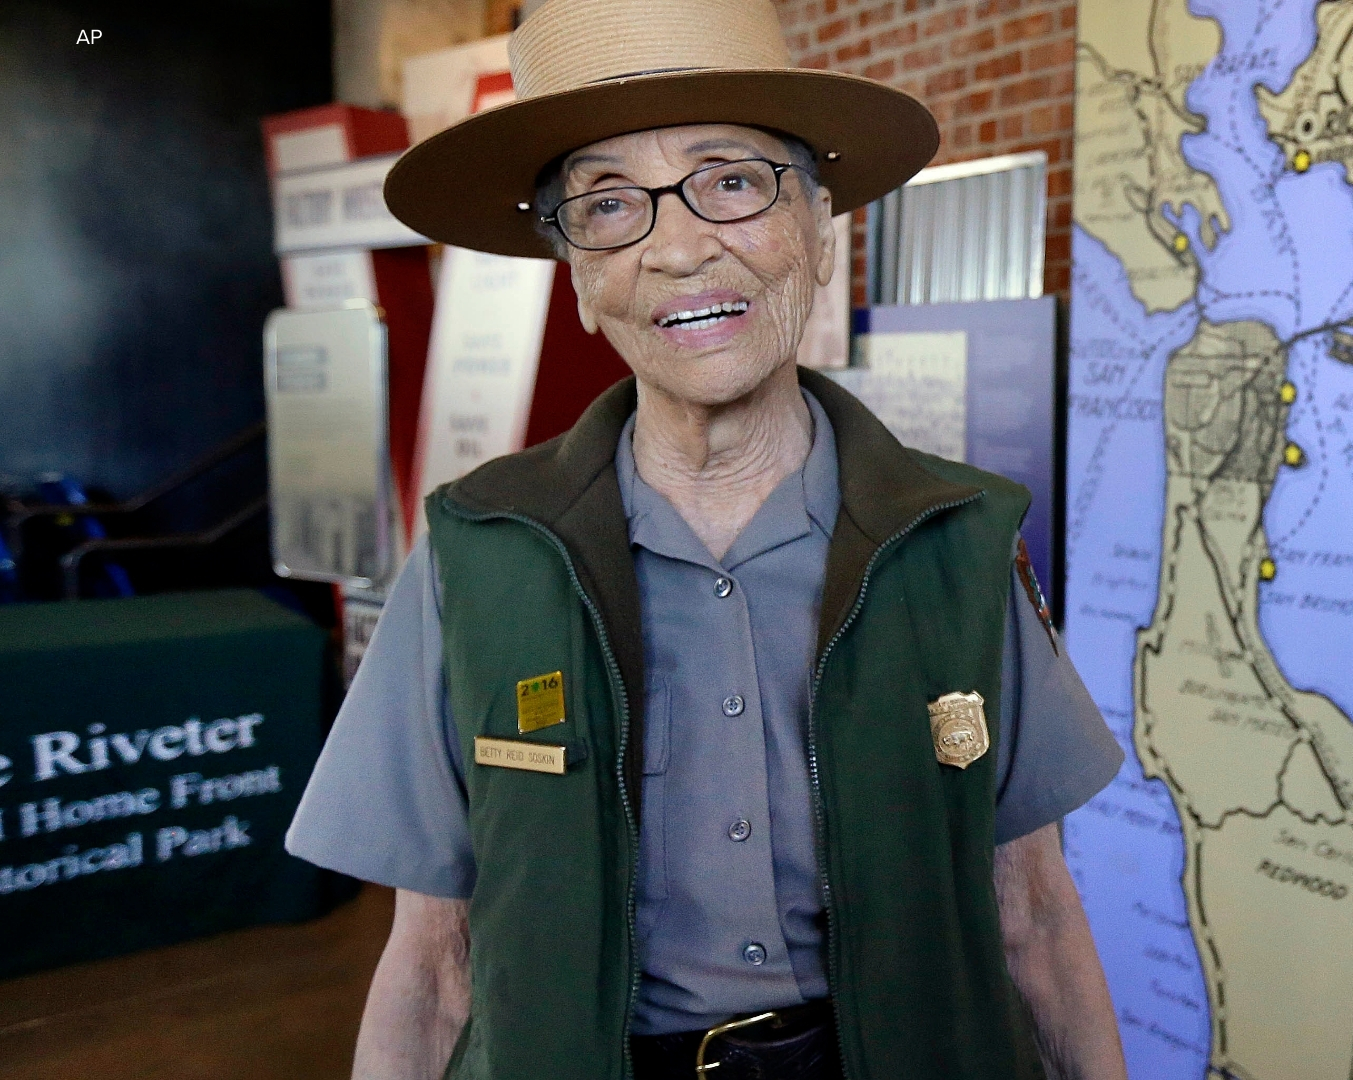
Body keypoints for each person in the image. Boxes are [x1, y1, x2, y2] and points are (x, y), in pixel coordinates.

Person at [284, 0, 1127, 1077]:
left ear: (819, 232)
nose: (679, 247)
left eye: (731, 181)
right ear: (581, 280)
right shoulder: (476, 557)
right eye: (608, 205)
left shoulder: (956, 545)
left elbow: (1036, 918)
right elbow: (432, 963)